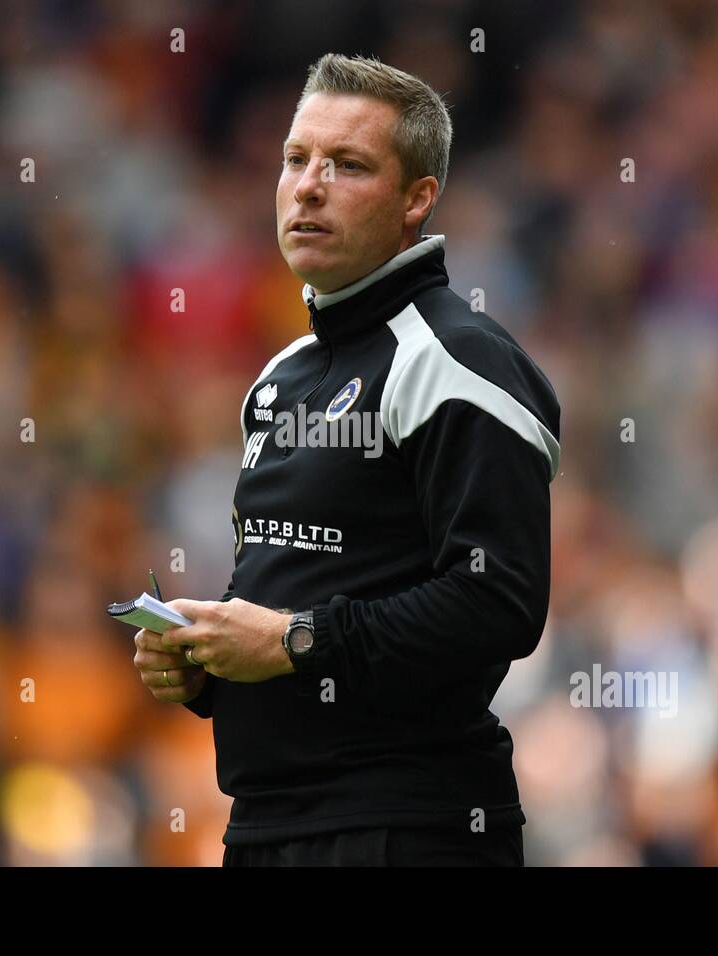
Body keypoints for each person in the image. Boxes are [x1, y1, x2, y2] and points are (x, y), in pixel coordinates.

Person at [132, 53, 561, 866]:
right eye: (296, 159)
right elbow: (291, 587)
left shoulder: (458, 361)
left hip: (409, 827)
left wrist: (295, 639)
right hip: (265, 827)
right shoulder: (279, 376)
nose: (309, 184)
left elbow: (500, 600)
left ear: (416, 200)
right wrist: (207, 663)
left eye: (348, 164)